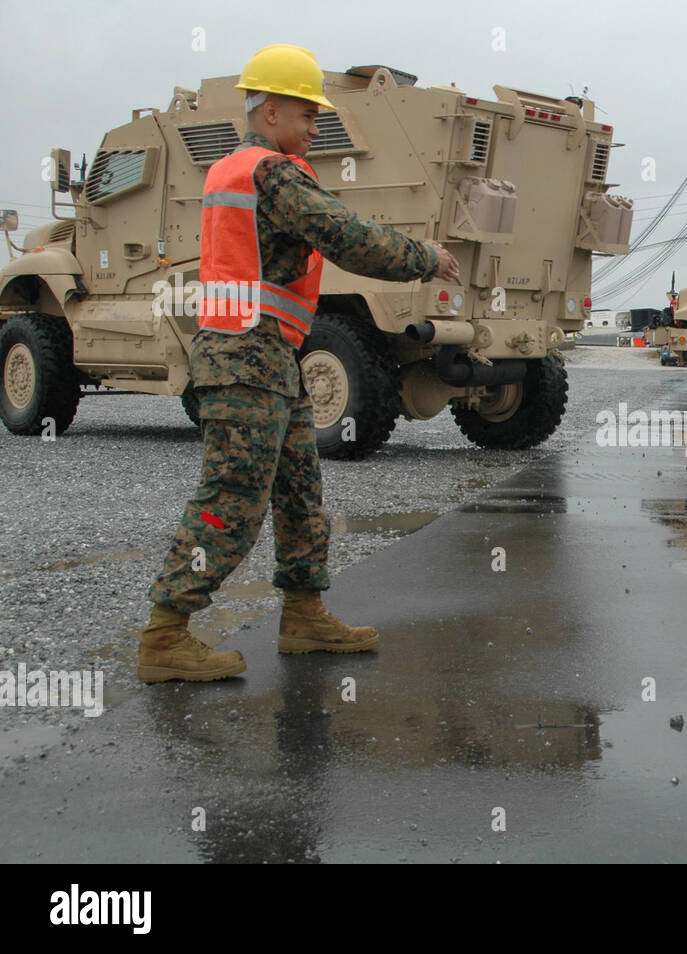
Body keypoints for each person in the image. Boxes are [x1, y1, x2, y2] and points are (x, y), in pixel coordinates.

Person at [138, 44, 460, 683]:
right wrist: (425, 257)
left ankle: (305, 615)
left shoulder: (238, 171)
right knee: (231, 496)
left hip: (267, 356)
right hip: (244, 357)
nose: (317, 127)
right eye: (308, 115)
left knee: (299, 494)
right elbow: (346, 236)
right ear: (272, 110)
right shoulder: (273, 172)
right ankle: (166, 634)